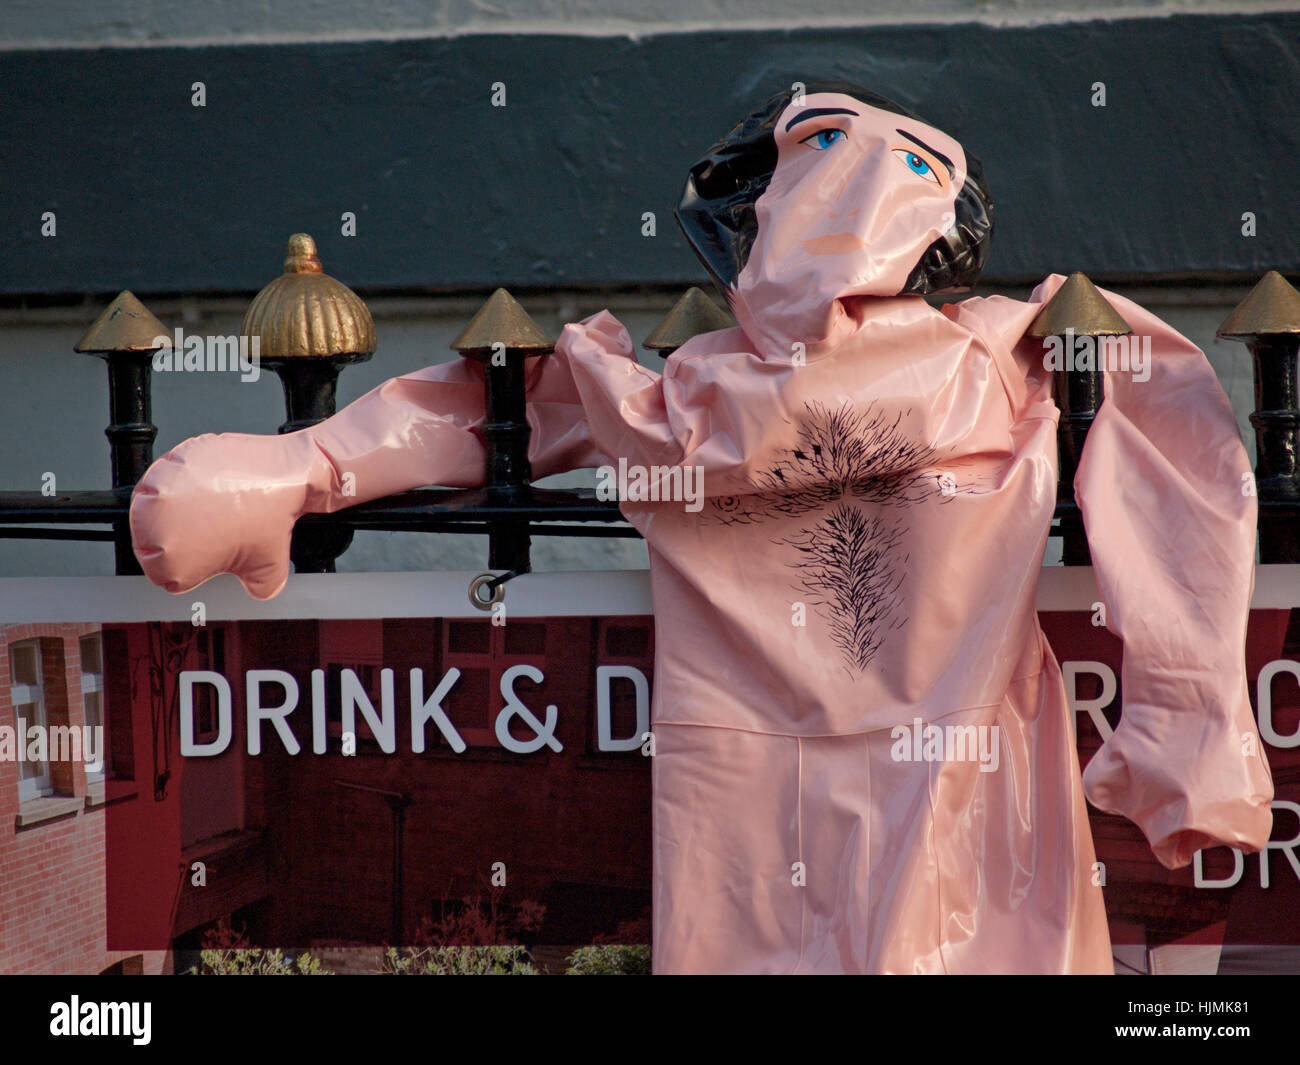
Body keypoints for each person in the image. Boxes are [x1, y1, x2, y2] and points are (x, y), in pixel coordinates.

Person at [130, 82, 1273, 973]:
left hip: (745, 806)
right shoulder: (1003, 362)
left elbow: (500, 416)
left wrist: (300, 465)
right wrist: (1188, 721)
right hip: (967, 782)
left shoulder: (675, 406)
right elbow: (1175, 457)